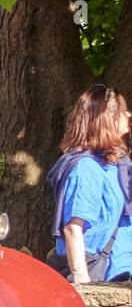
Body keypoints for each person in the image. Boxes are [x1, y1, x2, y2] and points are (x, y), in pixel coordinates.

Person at [46, 84, 132, 284]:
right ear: (107, 118)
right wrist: (84, 286)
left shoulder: (116, 165)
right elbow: (73, 229)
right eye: (122, 110)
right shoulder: (87, 168)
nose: (128, 114)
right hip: (102, 280)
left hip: (120, 274)